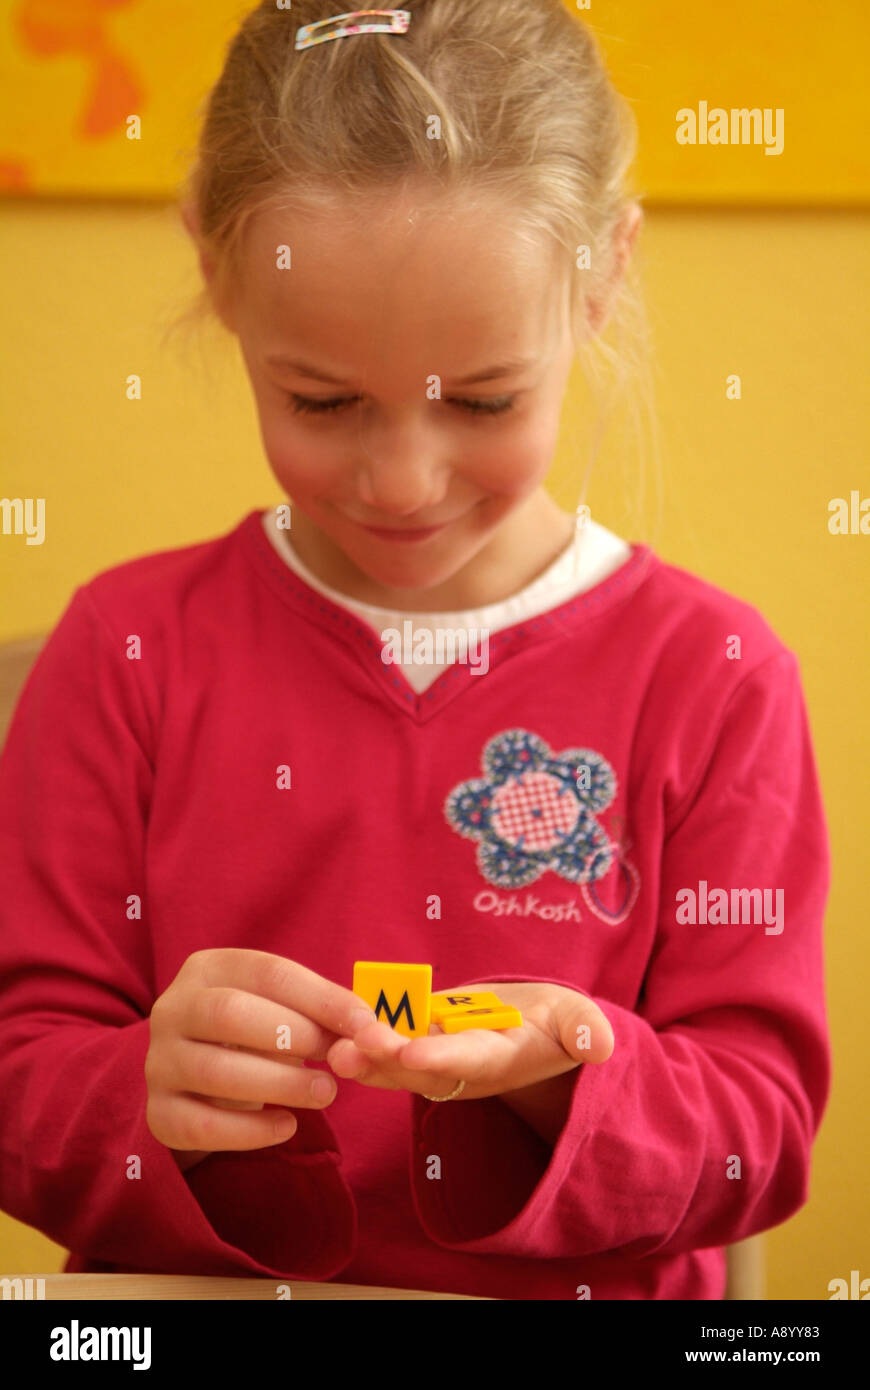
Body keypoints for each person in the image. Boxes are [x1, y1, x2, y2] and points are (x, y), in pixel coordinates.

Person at [0, 1, 830, 1300]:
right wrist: (136, 1086)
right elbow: (21, 1076)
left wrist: (574, 1065)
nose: (401, 480)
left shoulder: (712, 676)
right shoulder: (123, 654)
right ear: (216, 273)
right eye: (322, 400)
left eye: (485, 401)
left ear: (601, 273)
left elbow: (760, 1134)